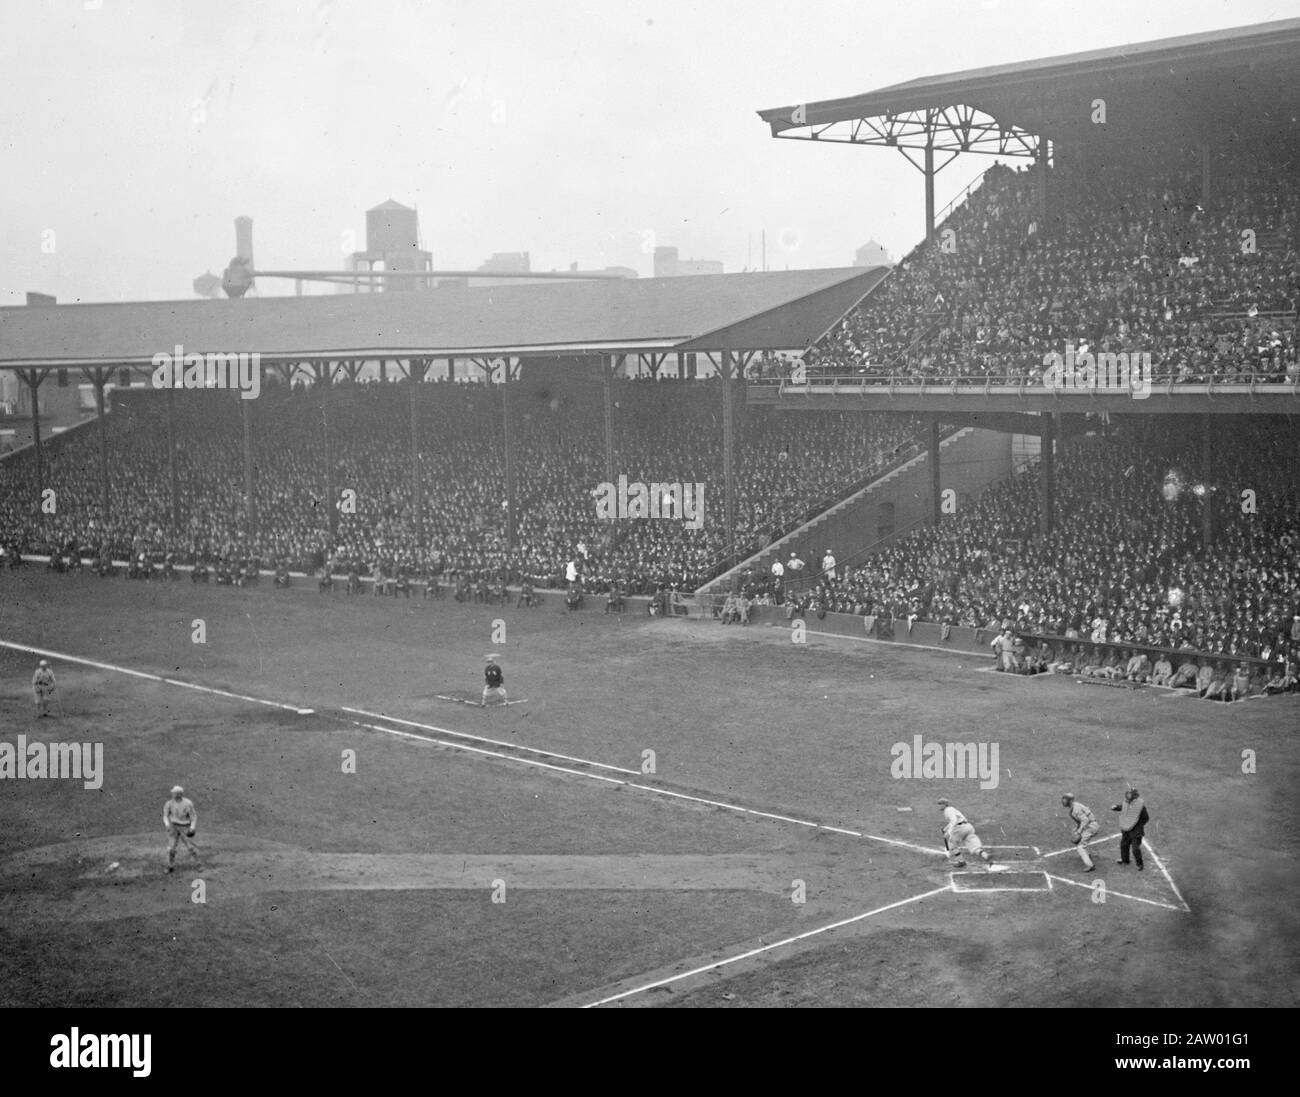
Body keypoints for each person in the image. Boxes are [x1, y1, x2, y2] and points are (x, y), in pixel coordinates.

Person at [938, 798, 993, 868]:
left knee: (951, 844)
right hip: (968, 827)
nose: (939, 806)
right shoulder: (951, 809)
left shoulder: (947, 810)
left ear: (945, 804)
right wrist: (946, 828)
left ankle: (961, 862)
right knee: (974, 848)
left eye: (940, 804)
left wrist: (948, 832)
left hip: (960, 828)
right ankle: (986, 856)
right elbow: (954, 821)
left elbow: (954, 821)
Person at [163, 785, 201, 873]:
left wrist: (192, 827)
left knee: (191, 847)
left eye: (174, 793)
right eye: (173, 793)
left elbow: (193, 816)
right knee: (171, 848)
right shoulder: (169, 803)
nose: (172, 794)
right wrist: (167, 824)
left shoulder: (188, 803)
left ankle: (199, 864)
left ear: (179, 794)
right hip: (173, 827)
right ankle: (169, 866)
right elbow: (165, 816)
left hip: (185, 826)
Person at [1111, 788, 1149, 871]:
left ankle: (1140, 864)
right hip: (1126, 829)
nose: (1128, 796)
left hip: (1136, 831)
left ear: (1134, 796)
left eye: (1130, 794)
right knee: (1124, 845)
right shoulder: (1127, 802)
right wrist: (1116, 807)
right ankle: (1125, 860)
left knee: (1135, 848)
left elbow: (1146, 818)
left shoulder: (1140, 807)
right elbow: (1124, 807)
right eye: (1127, 794)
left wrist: (1138, 825)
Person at [1061, 793, 1099, 872]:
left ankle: (1090, 866)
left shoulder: (1076, 809)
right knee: (1080, 841)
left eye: (1065, 800)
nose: (1063, 801)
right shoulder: (1074, 807)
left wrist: (1079, 831)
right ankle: (1087, 855)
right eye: (1063, 799)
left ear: (1070, 801)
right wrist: (1076, 828)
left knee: (1080, 847)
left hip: (1090, 827)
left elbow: (1085, 820)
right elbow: (1081, 821)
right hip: (1089, 825)